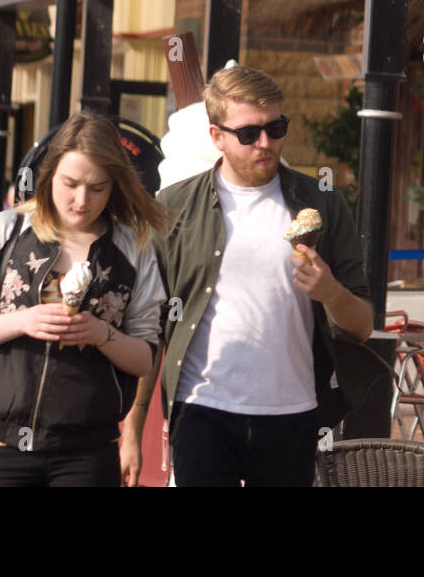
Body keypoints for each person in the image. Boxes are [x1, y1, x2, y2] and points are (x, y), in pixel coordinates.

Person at [120, 65, 373, 487]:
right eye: (248, 133)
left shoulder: (323, 203)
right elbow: (153, 327)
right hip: (202, 410)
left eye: (276, 128)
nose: (265, 143)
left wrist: (330, 292)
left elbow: (363, 324)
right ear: (216, 136)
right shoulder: (173, 207)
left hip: (291, 413)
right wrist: (132, 429)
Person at [0, 112, 169, 487]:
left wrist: (101, 333)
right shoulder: (8, 230)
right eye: (71, 183)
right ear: (50, 176)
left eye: (97, 188)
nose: (82, 200)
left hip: (86, 449)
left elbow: (144, 356)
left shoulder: (133, 248)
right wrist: (22, 321)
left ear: (114, 185)